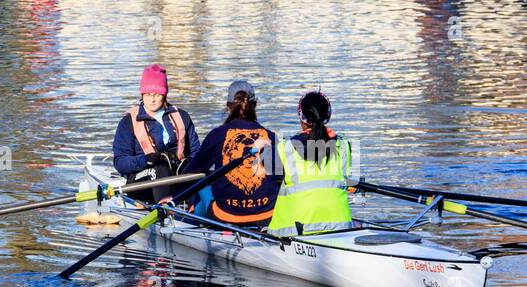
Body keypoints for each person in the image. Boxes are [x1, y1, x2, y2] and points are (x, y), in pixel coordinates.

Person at [188, 80, 280, 226]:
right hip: (268, 214)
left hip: (227, 216)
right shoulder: (269, 135)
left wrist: (173, 196)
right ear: (255, 106)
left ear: (228, 107)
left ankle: (189, 220)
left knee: (200, 182)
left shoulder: (217, 134)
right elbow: (278, 176)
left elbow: (191, 171)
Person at [267, 91, 355, 237]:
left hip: (294, 233)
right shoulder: (345, 145)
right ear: (328, 115)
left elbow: (268, 189)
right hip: (341, 227)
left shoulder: (283, 148)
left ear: (301, 117)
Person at [112, 64, 200, 203]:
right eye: (148, 94)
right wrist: (145, 159)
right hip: (141, 180)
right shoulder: (128, 121)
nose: (152, 100)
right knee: (161, 168)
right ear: (142, 94)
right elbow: (119, 162)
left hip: (175, 176)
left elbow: (196, 152)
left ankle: (196, 209)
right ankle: (165, 213)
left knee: (191, 167)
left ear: (164, 95)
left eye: (157, 95)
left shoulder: (182, 116)